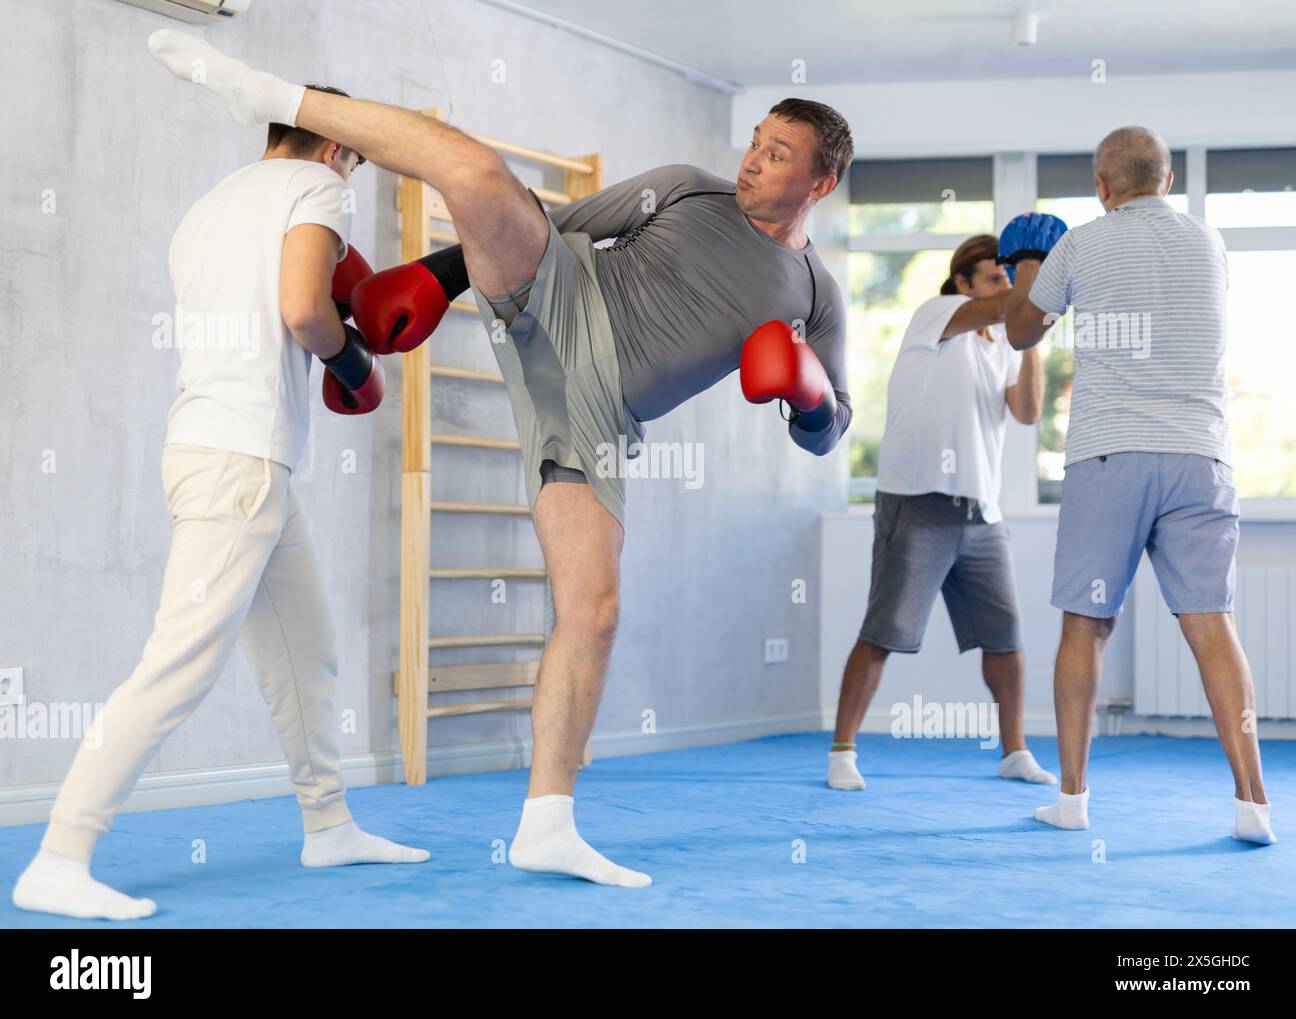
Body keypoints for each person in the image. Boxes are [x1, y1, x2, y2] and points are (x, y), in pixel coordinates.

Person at [145, 30, 854, 887]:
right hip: (561, 299)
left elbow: (831, 430)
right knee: (479, 177)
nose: (750, 162)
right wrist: (438, 278)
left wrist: (808, 395)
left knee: (591, 609)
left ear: (821, 182)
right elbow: (547, 225)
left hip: (598, 412)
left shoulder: (817, 296)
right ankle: (263, 91)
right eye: (753, 142)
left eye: (776, 155)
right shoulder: (686, 190)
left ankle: (546, 825)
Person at [12, 85, 427, 922]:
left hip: (226, 454)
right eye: (356, 153)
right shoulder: (322, 189)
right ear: (335, 147)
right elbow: (306, 309)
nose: (355, 168)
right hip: (239, 461)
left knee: (306, 649)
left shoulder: (207, 207)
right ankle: (59, 852)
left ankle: (329, 823)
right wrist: (353, 364)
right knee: (179, 663)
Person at [1004, 125, 1276, 844]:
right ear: (1167, 179)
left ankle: (1072, 797)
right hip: (1200, 457)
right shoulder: (1209, 243)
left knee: (1085, 627)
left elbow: (1022, 333)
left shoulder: (1083, 243)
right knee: (1213, 624)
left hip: (1109, 454)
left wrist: (1027, 269)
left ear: (1102, 185)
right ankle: (1254, 803)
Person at [828, 230, 1055, 791]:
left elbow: (1026, 413)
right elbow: (1008, 304)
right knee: (883, 632)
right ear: (964, 283)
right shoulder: (939, 316)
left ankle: (1014, 751)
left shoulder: (1002, 341)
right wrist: (1038, 286)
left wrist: (1032, 338)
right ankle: (842, 751)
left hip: (983, 514)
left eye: (1009, 276)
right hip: (918, 503)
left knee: (1007, 641)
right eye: (997, 277)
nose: (1008, 286)